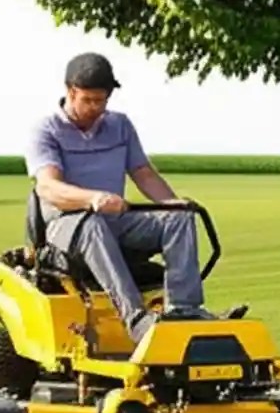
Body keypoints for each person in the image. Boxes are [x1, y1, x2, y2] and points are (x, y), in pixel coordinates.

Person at [23, 52, 227, 345]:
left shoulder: (119, 125)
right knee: (93, 226)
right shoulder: (46, 131)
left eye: (102, 100)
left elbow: (143, 173)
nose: (96, 108)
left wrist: (171, 203)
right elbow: (48, 188)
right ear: (71, 92)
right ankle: (136, 319)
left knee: (179, 219)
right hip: (66, 225)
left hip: (114, 219)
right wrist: (92, 198)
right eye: (89, 100)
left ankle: (185, 310)